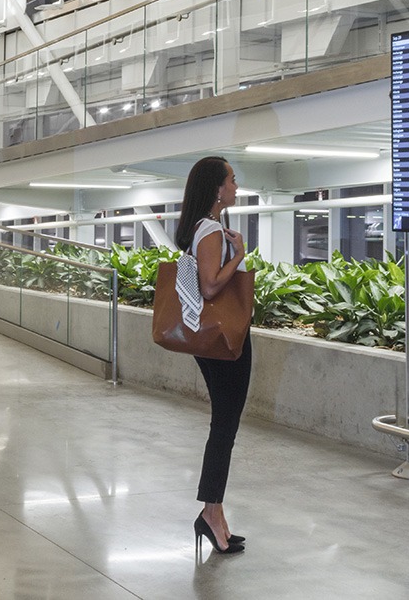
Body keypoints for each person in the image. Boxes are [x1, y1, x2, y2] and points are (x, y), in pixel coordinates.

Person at [173, 155, 250, 559]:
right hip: (223, 342)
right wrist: (239, 255)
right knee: (225, 425)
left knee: (225, 423)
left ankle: (213, 513)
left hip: (215, 342)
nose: (237, 187)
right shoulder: (211, 232)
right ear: (218, 189)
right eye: (233, 181)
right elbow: (209, 288)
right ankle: (211, 512)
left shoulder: (205, 228)